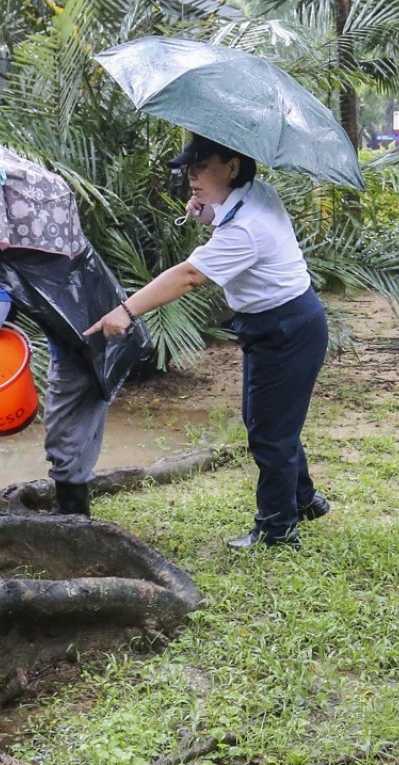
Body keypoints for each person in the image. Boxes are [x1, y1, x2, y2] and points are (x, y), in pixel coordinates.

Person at [85, 134, 330, 549]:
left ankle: (277, 529)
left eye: (201, 166)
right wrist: (206, 214)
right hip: (274, 324)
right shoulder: (254, 195)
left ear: (232, 166)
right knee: (267, 423)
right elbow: (225, 225)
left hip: (288, 329)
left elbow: (189, 276)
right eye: (189, 168)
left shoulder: (248, 228)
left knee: (270, 433)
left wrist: (124, 312)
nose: (191, 175)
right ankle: (305, 500)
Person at [0, 146, 151, 517]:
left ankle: (71, 516)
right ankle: (72, 507)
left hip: (94, 343)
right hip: (86, 342)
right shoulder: (46, 240)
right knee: (75, 422)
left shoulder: (33, 256)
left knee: (68, 427)